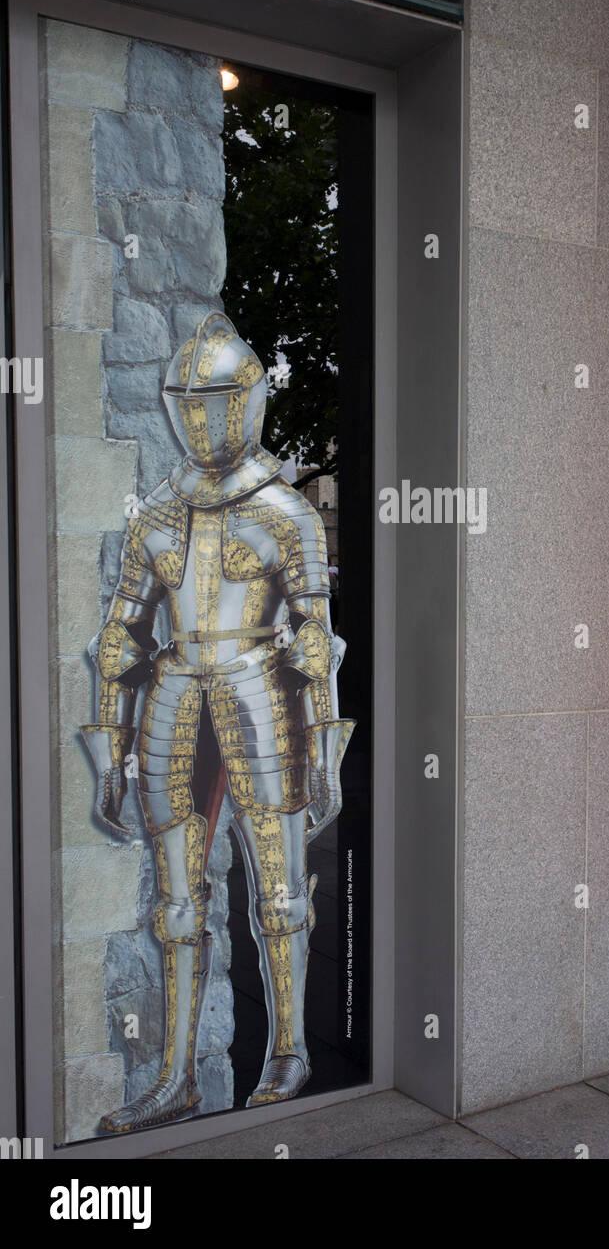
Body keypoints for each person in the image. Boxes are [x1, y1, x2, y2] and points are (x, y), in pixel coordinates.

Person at [80, 311, 354, 1134]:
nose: (200, 418)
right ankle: (175, 1078)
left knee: (278, 895)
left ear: (248, 401)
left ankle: (288, 1051)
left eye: (215, 401)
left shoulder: (285, 512)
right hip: (174, 698)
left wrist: (326, 750)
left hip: (257, 688)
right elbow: (122, 636)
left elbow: (313, 637)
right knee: (176, 907)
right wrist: (110, 755)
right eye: (187, 403)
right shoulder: (155, 513)